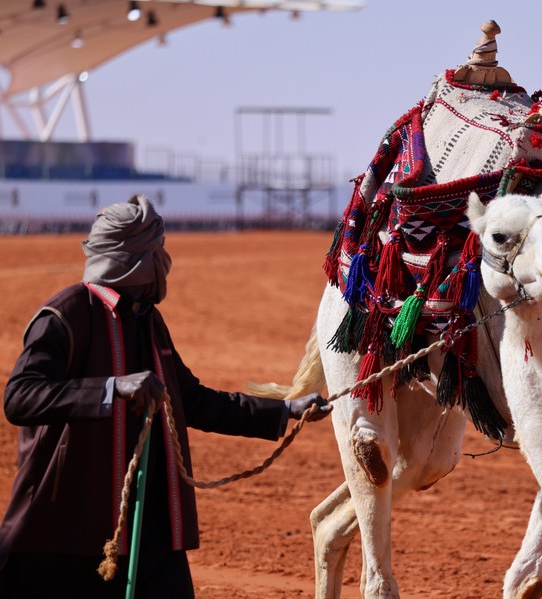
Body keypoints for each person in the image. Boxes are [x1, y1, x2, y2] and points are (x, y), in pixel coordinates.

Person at [0, 195, 331, 598]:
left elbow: (190, 401)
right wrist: (112, 389)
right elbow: (21, 397)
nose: (165, 262)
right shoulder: (66, 316)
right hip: (70, 534)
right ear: (136, 260)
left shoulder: (147, 320)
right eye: (158, 251)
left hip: (151, 527)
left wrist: (284, 411)